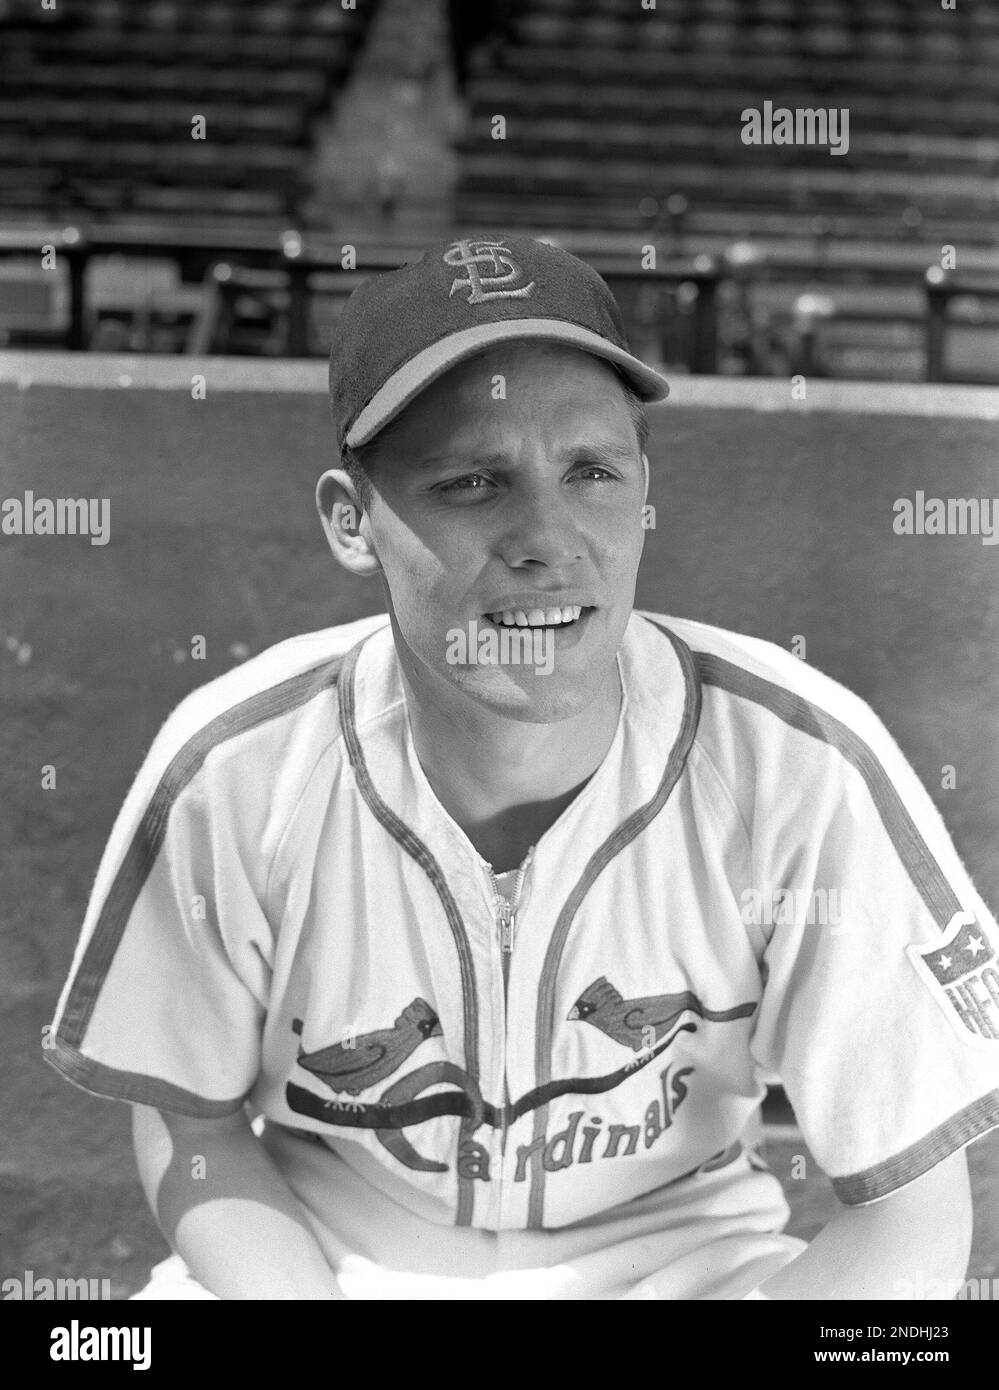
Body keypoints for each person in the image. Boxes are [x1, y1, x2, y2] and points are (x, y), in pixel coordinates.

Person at [45, 235, 997, 1300]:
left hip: (692, 1272)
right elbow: (195, 1128)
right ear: (352, 522)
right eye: (471, 481)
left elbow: (909, 1216)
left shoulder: (799, 764)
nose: (549, 537)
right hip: (331, 1266)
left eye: (591, 471)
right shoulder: (238, 769)